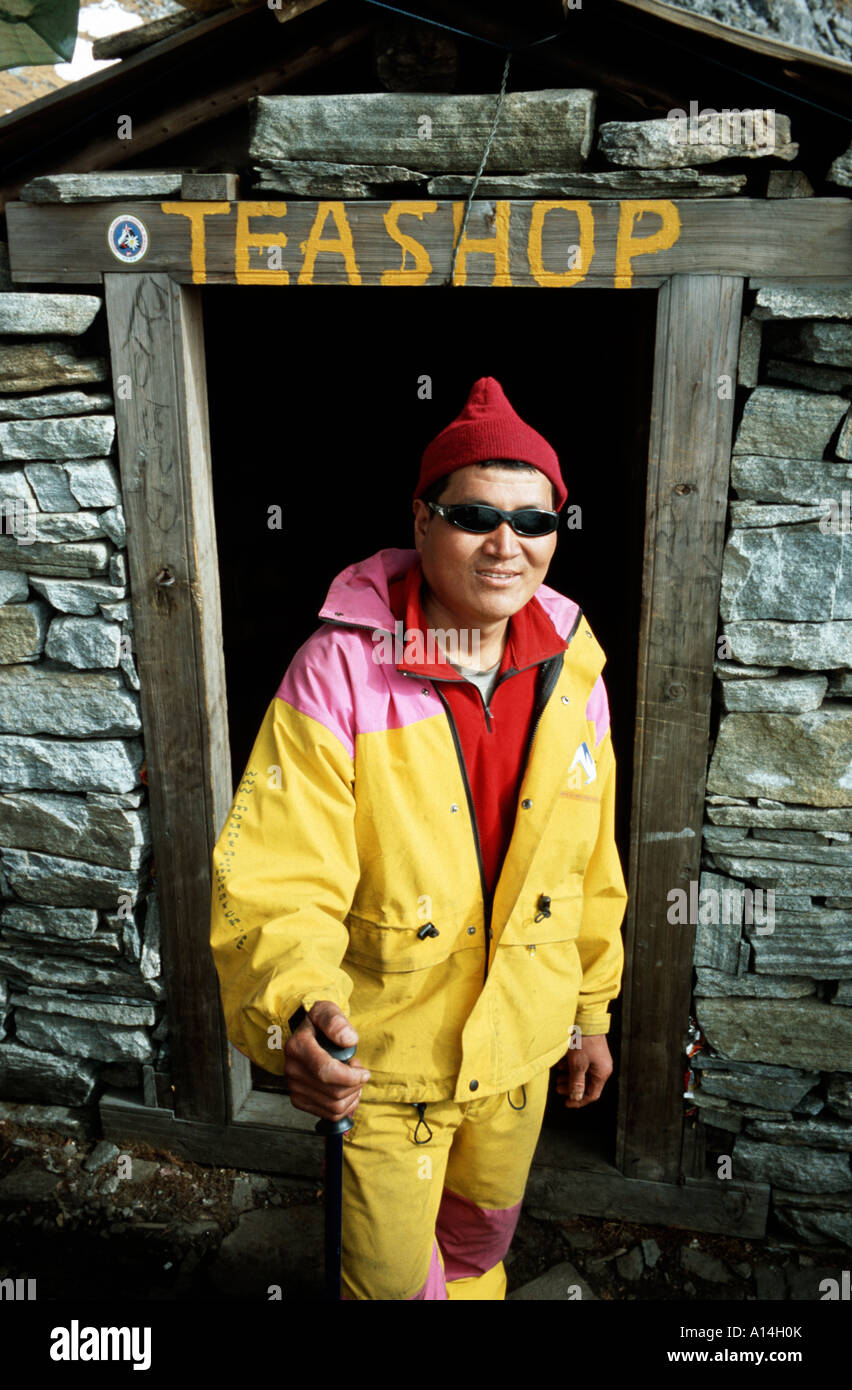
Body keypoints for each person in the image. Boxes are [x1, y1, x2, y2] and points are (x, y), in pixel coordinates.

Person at [209, 376, 628, 1300]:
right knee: (390, 1283)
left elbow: (591, 860)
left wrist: (592, 1013)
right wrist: (299, 1011)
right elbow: (281, 875)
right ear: (422, 518)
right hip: (387, 1067)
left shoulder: (575, 668)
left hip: (521, 1052)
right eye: (476, 515)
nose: (507, 544)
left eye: (534, 521)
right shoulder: (337, 672)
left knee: (478, 1246)